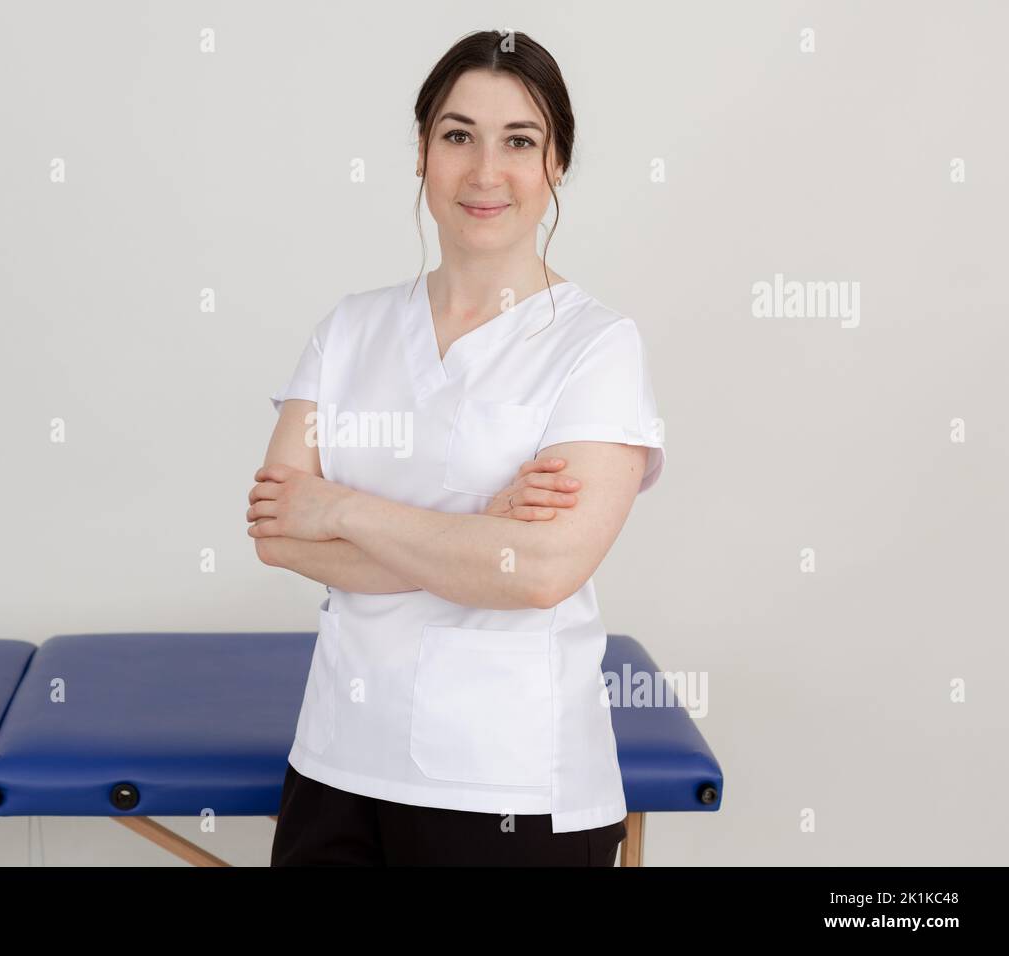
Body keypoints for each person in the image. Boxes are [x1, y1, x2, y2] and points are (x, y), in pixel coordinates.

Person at [247, 29, 665, 866]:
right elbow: (275, 531)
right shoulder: (349, 330)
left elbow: (544, 572)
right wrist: (481, 530)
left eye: (520, 141)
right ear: (421, 154)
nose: (484, 171)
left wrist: (340, 508)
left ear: (556, 165)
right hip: (337, 765)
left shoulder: (597, 347)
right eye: (457, 135)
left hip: (513, 784)